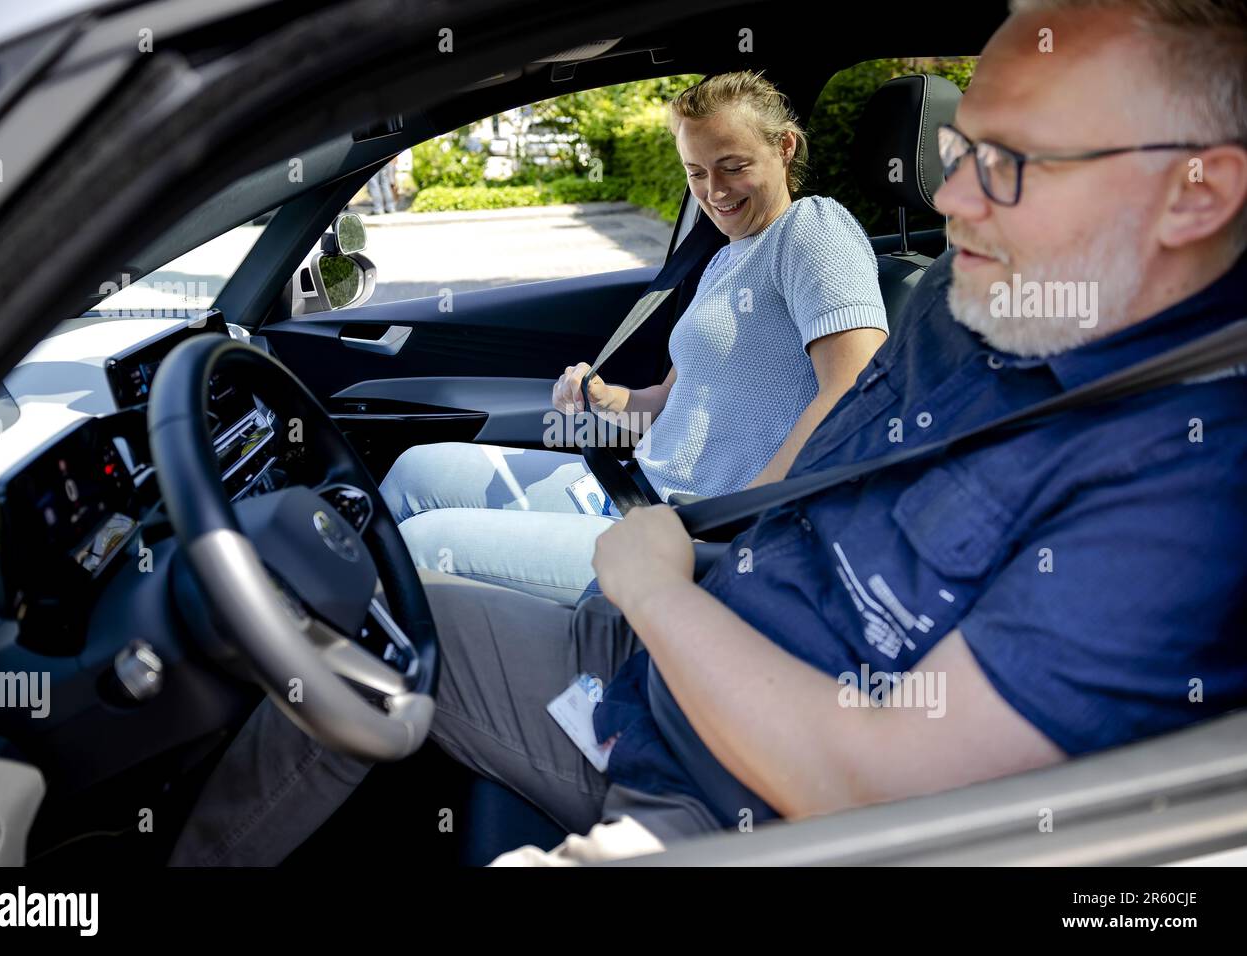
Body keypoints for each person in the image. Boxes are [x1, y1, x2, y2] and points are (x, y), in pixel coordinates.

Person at [169, 0, 1247, 867]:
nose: (950, 195)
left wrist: (656, 578)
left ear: (1195, 194)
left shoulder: (1190, 486)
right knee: (381, 630)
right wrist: (630, 459)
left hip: (747, 797)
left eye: (1009, 164)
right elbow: (792, 473)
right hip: (662, 658)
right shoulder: (957, 309)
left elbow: (869, 786)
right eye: (960, 149)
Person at [378, 71, 889, 604]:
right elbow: (670, 401)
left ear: (784, 148)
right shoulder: (722, 261)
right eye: (695, 173)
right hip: (632, 489)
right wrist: (605, 397)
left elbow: (854, 393)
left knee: (422, 542)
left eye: (732, 167)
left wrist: (747, 514)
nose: (713, 192)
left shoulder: (813, 229)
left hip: (697, 533)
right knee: (416, 468)